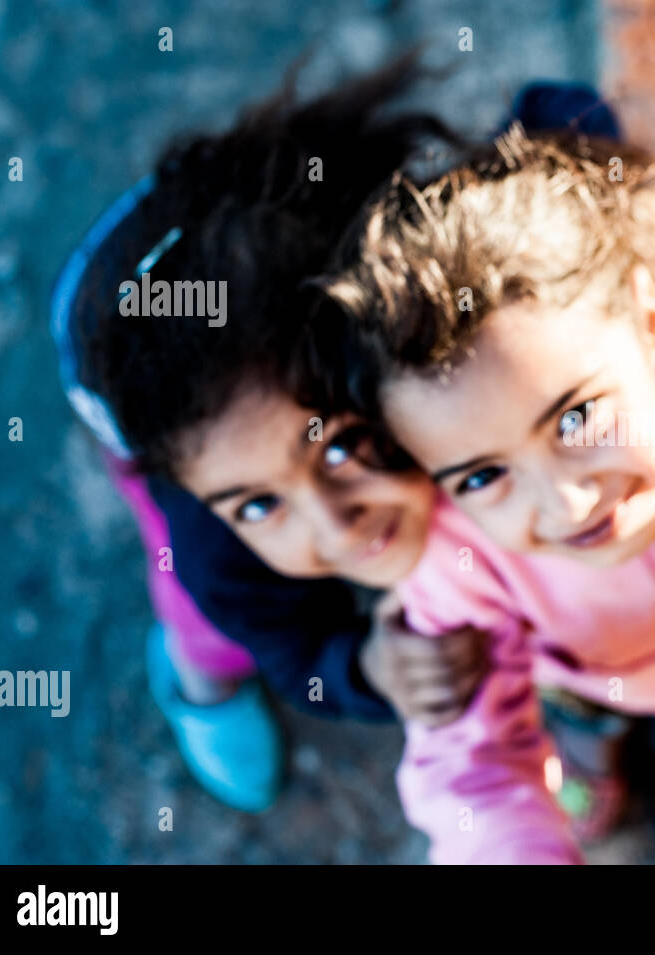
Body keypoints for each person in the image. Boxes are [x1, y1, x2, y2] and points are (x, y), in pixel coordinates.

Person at [321, 129, 655, 863]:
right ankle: (596, 764)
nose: (566, 505)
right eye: (481, 475)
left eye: (576, 416)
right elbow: (470, 755)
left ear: (654, 322)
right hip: (582, 677)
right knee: (586, 728)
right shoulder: (453, 548)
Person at [54, 55, 492, 811]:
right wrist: (363, 667)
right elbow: (301, 656)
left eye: (338, 445)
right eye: (257, 504)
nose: (334, 524)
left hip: (212, 242)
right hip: (115, 353)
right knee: (203, 604)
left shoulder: (422, 318)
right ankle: (200, 683)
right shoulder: (211, 534)